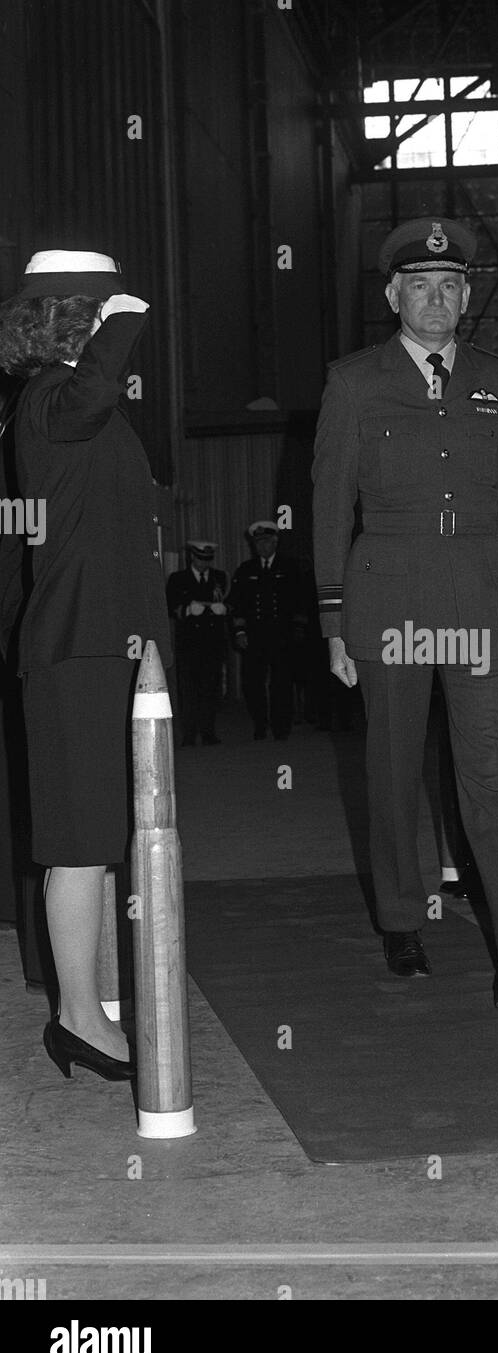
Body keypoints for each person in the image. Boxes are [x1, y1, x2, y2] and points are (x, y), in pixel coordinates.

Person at [312, 216, 498, 1008]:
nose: (435, 299)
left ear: (466, 297)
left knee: (492, 771)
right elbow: (328, 505)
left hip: (482, 597)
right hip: (388, 593)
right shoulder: (354, 381)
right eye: (419, 287)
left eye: (450, 286)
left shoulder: (497, 380)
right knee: (393, 765)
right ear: (394, 295)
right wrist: (333, 620)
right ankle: (400, 917)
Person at [0, 248, 172, 1081]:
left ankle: (88, 1003)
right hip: (75, 647)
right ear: (80, 316)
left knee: (101, 839)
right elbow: (92, 393)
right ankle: (77, 1016)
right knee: (78, 841)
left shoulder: (73, 403)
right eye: (103, 311)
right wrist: (127, 319)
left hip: (107, 643)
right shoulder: (51, 399)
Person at [228, 520, 300, 740]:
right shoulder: (246, 570)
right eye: (258, 542)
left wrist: (298, 630)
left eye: (266, 541)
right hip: (255, 638)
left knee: (282, 684)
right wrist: (239, 632)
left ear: (275, 542)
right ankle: (260, 723)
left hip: (282, 636)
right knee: (253, 684)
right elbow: (236, 604)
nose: (262, 546)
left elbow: (300, 601)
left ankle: (281, 727)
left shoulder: (289, 568)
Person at [165, 540, 227, 745]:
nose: (204, 563)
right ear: (192, 557)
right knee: (189, 690)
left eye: (208, 559)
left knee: (210, 689)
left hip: (212, 642)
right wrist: (187, 610)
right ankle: (189, 734)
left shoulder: (219, 577)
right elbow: (170, 605)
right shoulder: (178, 579)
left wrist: (224, 609)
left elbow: (228, 601)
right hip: (189, 643)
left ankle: (208, 731)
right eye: (200, 559)